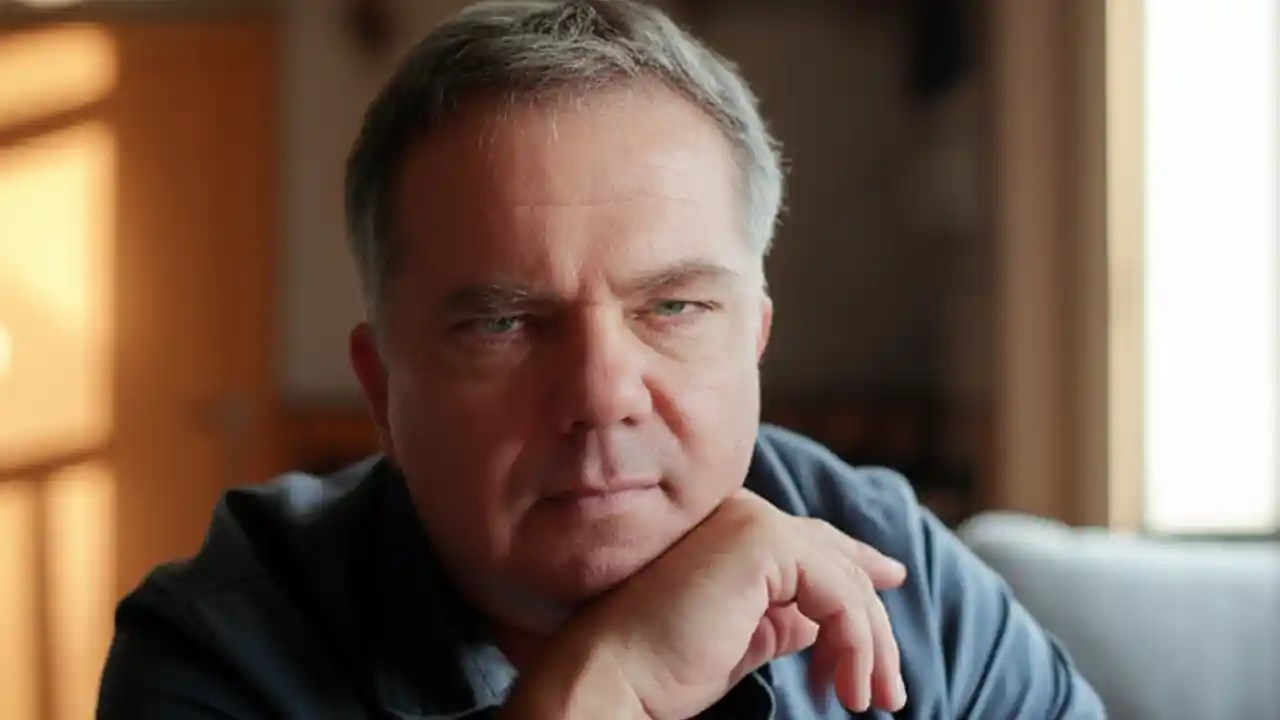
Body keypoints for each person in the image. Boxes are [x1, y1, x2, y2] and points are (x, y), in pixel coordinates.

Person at [97, 1, 1105, 718]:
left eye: (672, 305)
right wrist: (604, 688)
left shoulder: (892, 571)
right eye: (500, 323)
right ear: (382, 389)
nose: (600, 396)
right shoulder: (223, 653)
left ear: (751, 337)